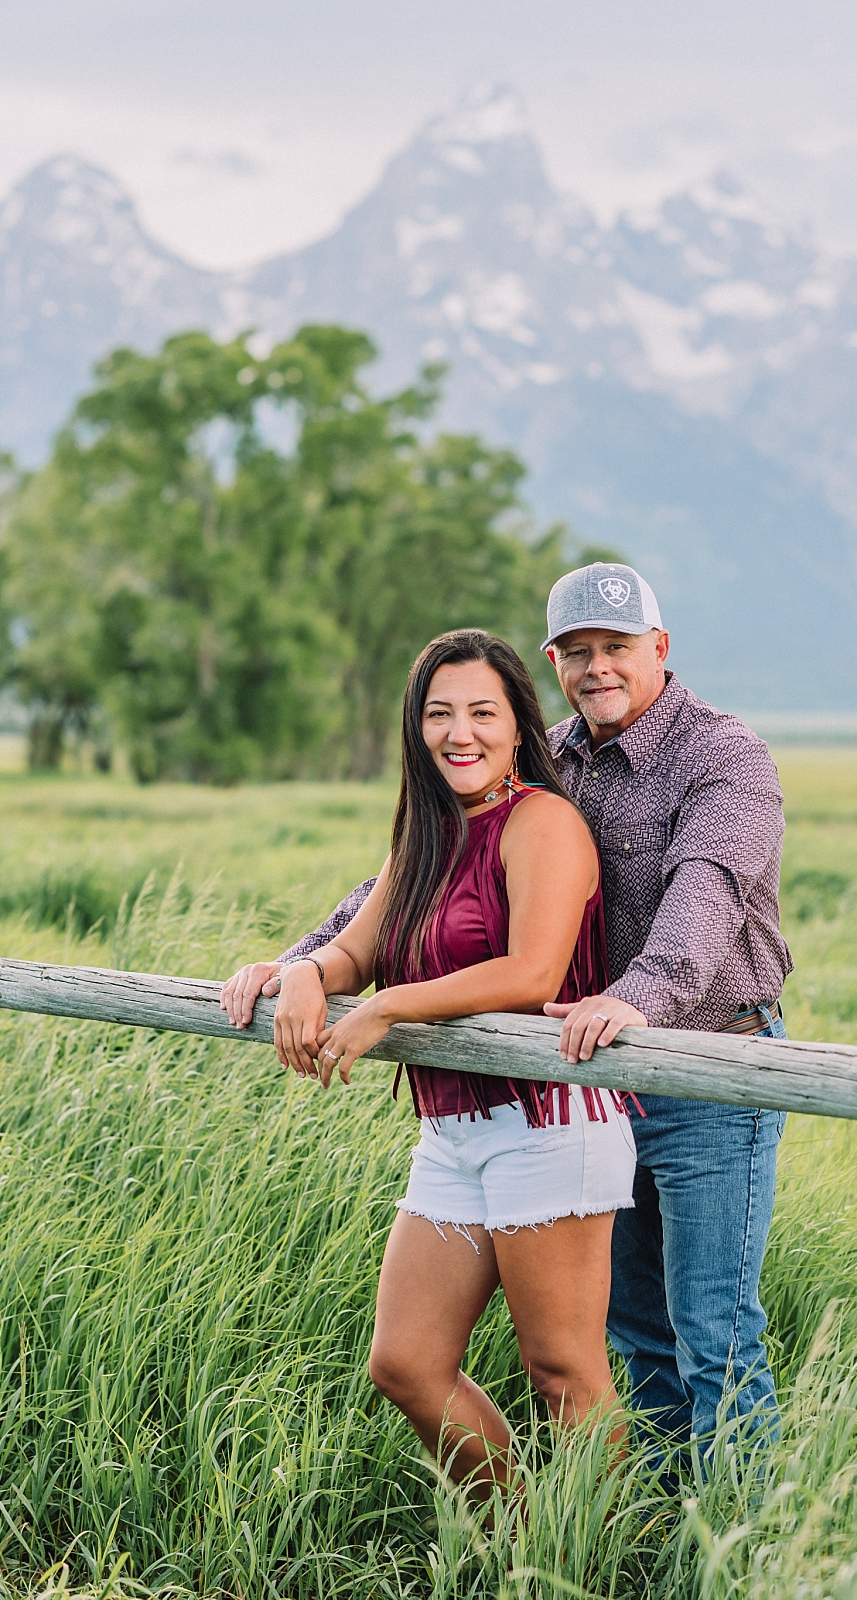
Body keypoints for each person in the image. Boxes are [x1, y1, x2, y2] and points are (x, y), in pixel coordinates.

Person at [224, 562, 792, 1463]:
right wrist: (299, 964)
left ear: (660, 648)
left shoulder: (722, 756)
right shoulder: (546, 752)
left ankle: (745, 1553)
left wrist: (636, 999)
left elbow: (707, 892)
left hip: (702, 1065)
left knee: (713, 1335)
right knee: (634, 1338)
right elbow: (410, 881)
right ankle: (642, 1533)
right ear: (554, 664)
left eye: (615, 648)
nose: (597, 668)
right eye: (576, 652)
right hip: (586, 1070)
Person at [223, 629, 636, 1496]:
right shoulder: (424, 835)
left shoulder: (544, 824)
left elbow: (531, 971)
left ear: (519, 726)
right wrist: (304, 971)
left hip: (548, 1123)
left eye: (482, 713)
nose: (461, 733)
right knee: (406, 1364)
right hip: (452, 1129)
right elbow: (356, 951)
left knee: (560, 1369)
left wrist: (385, 1007)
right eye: (439, 713)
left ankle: (593, 1565)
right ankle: (521, 1540)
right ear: (416, 728)